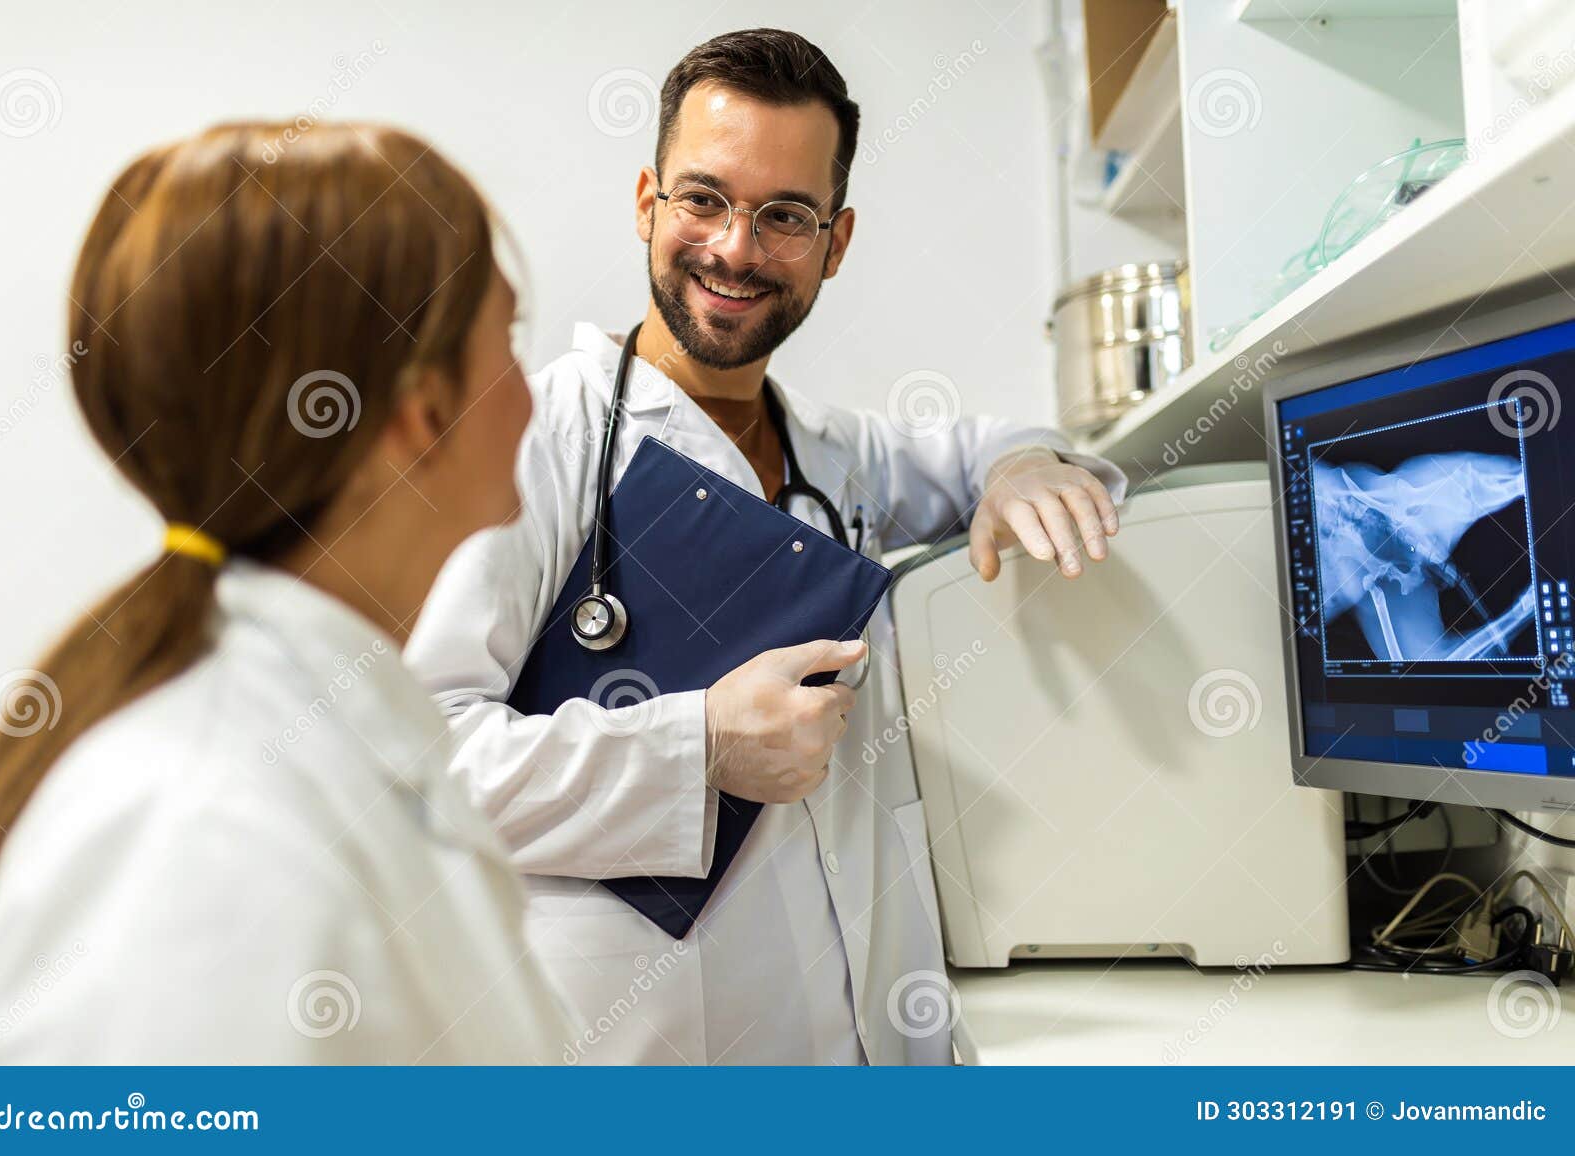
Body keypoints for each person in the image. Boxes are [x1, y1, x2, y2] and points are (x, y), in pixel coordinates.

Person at [407, 29, 1127, 1065]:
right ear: (648, 202)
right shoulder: (533, 441)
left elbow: (996, 448)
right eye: (703, 199)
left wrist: (1028, 465)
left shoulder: (836, 456)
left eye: (783, 216)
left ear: (834, 243)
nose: (736, 249)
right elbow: (424, 763)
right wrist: (695, 741)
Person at [0, 122, 571, 1063]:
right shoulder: (210, 839)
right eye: (509, 335)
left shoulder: (308, 753)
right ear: (421, 413)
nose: (532, 392)